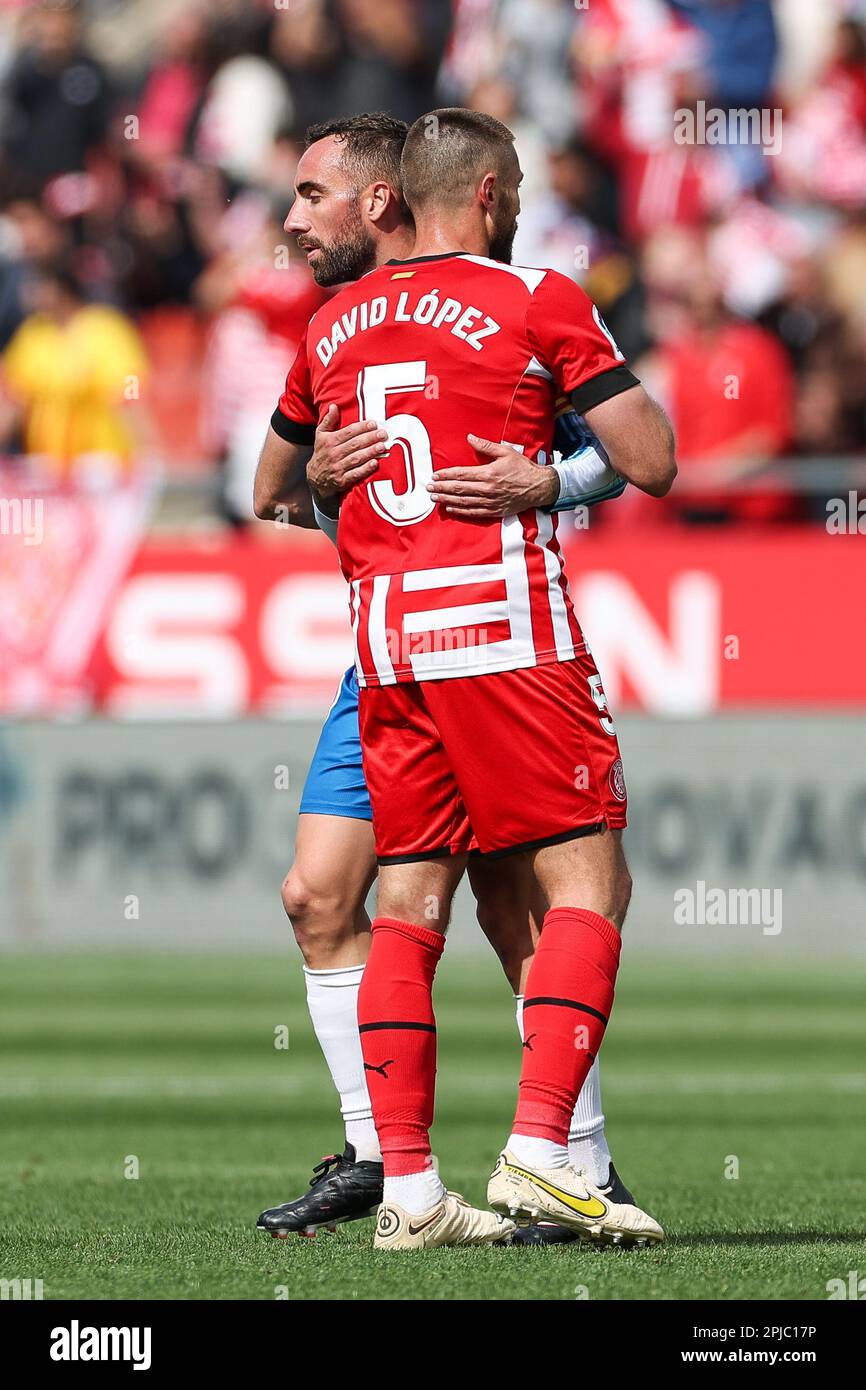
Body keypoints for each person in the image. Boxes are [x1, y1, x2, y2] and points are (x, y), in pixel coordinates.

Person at [254, 111, 674, 1249]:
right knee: (584, 884)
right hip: (503, 633)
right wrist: (548, 483)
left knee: (408, 908)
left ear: (394, 198)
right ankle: (545, 1149)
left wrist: (335, 487)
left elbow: (268, 487)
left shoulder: (335, 322)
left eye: (309, 198)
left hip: (387, 647)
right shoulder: (534, 295)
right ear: (487, 193)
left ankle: (409, 1189)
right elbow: (653, 460)